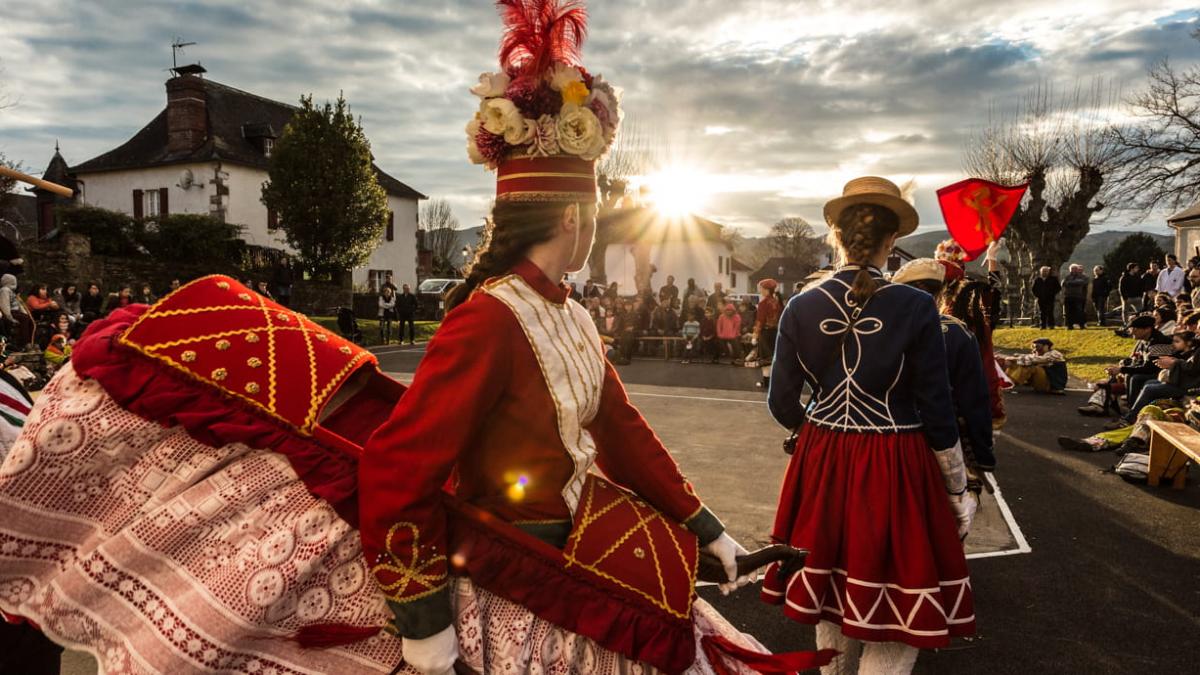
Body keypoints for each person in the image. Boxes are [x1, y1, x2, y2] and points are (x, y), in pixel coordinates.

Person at [363, 16, 779, 671]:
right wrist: (427, 638)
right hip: (516, 587)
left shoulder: (571, 315)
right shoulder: (490, 319)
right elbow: (395, 473)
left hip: (579, 563)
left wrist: (710, 532)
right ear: (571, 216)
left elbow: (621, 429)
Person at [766, 177, 975, 674]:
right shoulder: (917, 305)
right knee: (899, 607)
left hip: (822, 456)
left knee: (829, 592)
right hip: (895, 459)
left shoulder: (800, 304)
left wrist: (816, 431)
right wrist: (957, 487)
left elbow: (780, 401)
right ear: (889, 243)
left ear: (834, 238)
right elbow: (937, 407)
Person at [893, 257, 996, 471]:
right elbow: (974, 398)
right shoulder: (957, 332)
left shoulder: (876, 329)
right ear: (941, 293)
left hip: (887, 439)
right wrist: (982, 451)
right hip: (944, 439)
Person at [1078, 315, 1173, 418]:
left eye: (1135, 329)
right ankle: (1098, 405)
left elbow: (1151, 367)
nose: (1132, 332)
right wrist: (1124, 364)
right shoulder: (1144, 340)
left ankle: (1132, 409)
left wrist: (1122, 369)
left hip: (1160, 374)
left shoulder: (1159, 342)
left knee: (1134, 377)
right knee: (1119, 375)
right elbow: (1138, 360)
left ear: (1147, 329)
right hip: (1147, 370)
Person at [1120, 331, 1199, 423]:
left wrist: (1174, 362)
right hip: (1185, 382)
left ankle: (1131, 418)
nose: (1197, 331)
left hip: (1191, 387)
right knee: (1149, 383)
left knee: (1149, 388)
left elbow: (1193, 369)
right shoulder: (1194, 348)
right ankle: (1139, 414)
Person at [1000, 338, 1068, 394]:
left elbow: (1035, 360)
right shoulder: (1039, 353)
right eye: (1034, 347)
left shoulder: (1055, 354)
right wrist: (1012, 361)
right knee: (1016, 363)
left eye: (1038, 347)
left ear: (1046, 346)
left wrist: (1015, 359)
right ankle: (1004, 383)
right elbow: (1029, 357)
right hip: (1042, 383)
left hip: (1051, 385)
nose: (1035, 349)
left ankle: (1008, 385)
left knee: (1029, 366)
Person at [753, 279, 782, 389]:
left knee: (765, 359)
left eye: (761, 288)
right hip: (775, 332)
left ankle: (766, 383)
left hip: (765, 333)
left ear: (766, 290)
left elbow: (760, 320)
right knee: (773, 358)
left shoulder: (763, 303)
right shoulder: (777, 302)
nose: (760, 290)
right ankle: (775, 383)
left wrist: (755, 335)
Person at [0, 274, 34, 349]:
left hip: (17, 312)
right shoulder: (4, 290)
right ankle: (23, 343)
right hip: (11, 313)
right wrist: (10, 318)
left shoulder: (12, 291)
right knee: (24, 319)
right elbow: (4, 305)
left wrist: (26, 314)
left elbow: (19, 305)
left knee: (30, 321)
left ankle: (30, 342)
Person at [1061, 264, 1089, 330]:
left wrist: (1069, 283)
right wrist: (1074, 283)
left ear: (1077, 269)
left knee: (1079, 311)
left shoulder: (1082, 276)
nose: (1073, 270)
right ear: (1070, 270)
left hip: (1078, 296)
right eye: (1072, 269)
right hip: (1068, 296)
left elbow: (1082, 282)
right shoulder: (1067, 276)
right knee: (1068, 312)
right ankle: (1069, 325)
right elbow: (1063, 283)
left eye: (1075, 269)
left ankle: (1081, 325)